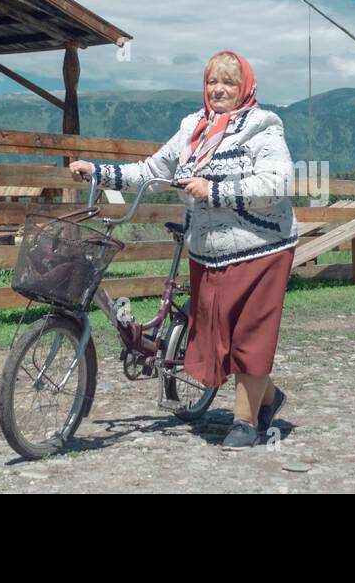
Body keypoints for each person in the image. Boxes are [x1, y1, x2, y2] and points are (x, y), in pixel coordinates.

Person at [69, 50, 297, 450]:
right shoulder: (193, 128)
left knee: (249, 337)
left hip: (261, 248)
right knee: (216, 336)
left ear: (244, 87)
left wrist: (214, 190)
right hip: (208, 251)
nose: (219, 89)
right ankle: (270, 397)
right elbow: (152, 171)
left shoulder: (262, 127)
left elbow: (277, 183)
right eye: (212, 82)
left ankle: (245, 422)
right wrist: (99, 170)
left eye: (228, 82)